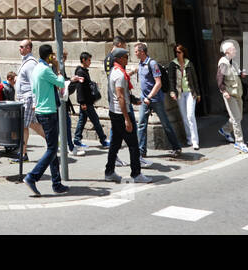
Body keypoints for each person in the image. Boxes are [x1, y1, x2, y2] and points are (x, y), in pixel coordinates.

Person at [22, 44, 82, 196]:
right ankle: (32, 177)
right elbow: (60, 83)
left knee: (52, 148)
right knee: (52, 149)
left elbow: (37, 89)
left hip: (43, 110)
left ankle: (56, 183)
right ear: (49, 56)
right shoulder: (45, 69)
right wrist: (58, 68)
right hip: (48, 112)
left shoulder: (37, 69)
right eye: (52, 55)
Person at [103, 47, 148, 184]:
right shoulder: (120, 75)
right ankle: (136, 174)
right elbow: (121, 97)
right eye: (126, 57)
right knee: (133, 144)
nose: (127, 60)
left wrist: (133, 100)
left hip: (114, 112)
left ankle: (109, 171)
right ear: (120, 59)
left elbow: (123, 95)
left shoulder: (114, 72)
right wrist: (127, 119)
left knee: (115, 144)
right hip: (121, 113)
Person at [135, 43, 182, 162]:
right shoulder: (141, 64)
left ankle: (176, 147)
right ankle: (141, 151)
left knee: (165, 123)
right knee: (141, 124)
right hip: (145, 99)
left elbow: (158, 83)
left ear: (142, 52)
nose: (135, 53)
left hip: (155, 99)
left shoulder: (152, 64)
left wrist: (149, 97)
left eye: (136, 51)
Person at [217, 39, 248, 153]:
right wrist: (224, 91)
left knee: (238, 117)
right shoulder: (224, 63)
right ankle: (239, 143)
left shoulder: (233, 62)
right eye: (233, 49)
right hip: (230, 95)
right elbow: (219, 78)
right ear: (227, 51)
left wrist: (242, 74)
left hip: (238, 93)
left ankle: (225, 130)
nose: (235, 50)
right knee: (236, 119)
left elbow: (237, 74)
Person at [169, 43, 201, 153]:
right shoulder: (173, 64)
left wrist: (198, 93)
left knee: (190, 115)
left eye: (179, 52)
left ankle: (195, 140)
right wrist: (172, 91)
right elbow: (171, 79)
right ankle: (189, 138)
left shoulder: (189, 63)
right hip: (180, 93)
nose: (177, 54)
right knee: (184, 116)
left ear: (183, 53)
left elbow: (195, 79)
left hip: (190, 92)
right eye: (176, 52)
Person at [72, 51, 107, 150]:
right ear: (83, 60)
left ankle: (77, 139)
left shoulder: (84, 71)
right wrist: (82, 102)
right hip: (86, 102)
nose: (90, 62)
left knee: (82, 121)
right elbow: (80, 89)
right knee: (95, 120)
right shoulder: (80, 72)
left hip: (87, 102)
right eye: (89, 60)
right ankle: (103, 140)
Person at [15, 39, 43, 159]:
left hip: (28, 99)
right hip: (24, 99)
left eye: (22, 47)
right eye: (20, 47)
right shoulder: (26, 61)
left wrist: (35, 101)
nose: (19, 49)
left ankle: (23, 154)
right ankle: (53, 141)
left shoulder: (31, 63)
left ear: (28, 48)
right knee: (32, 124)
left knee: (23, 126)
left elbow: (34, 83)